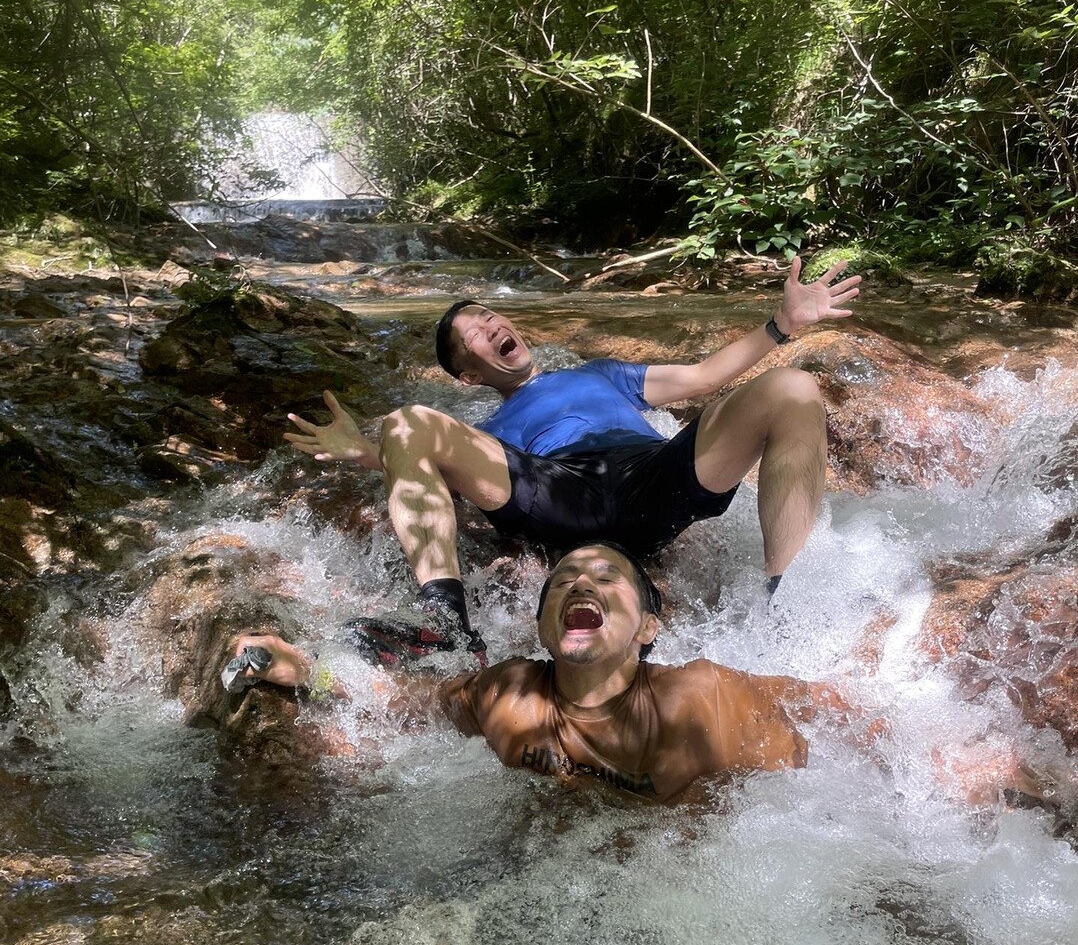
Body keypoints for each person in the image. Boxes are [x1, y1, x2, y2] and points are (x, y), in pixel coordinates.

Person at [283, 257, 861, 660]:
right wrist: (366, 450)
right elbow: (419, 459)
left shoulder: (603, 373)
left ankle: (778, 598)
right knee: (408, 420)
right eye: (475, 336)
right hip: (555, 490)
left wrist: (782, 326)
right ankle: (447, 625)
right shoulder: (486, 429)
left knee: (794, 388)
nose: (490, 327)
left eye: (489, 316)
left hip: (649, 478)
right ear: (467, 373)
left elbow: (706, 376)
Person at [222, 541, 862, 805]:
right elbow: (404, 702)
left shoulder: (707, 704)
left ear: (647, 628)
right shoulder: (509, 696)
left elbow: (804, 796)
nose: (582, 580)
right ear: (544, 630)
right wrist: (308, 670)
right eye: (564, 581)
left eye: (609, 577)